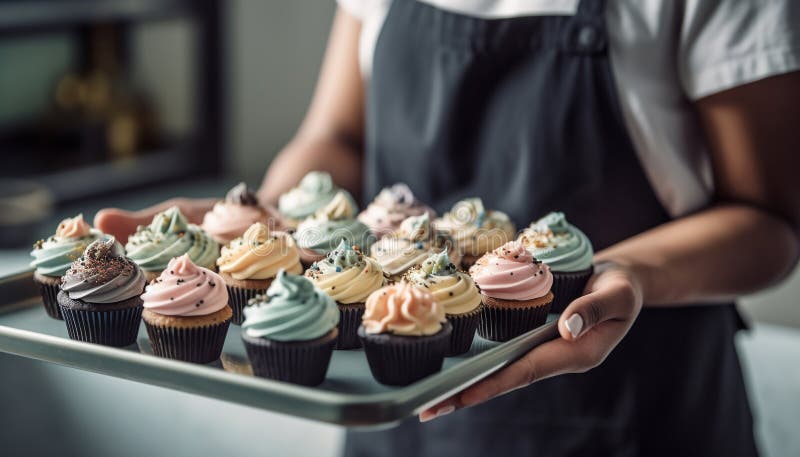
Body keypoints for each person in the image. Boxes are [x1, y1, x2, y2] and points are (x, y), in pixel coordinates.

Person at [96, 0, 800, 455]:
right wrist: (271, 219)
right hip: (397, 412)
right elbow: (337, 135)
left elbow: (768, 223)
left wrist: (629, 273)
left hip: (637, 411)